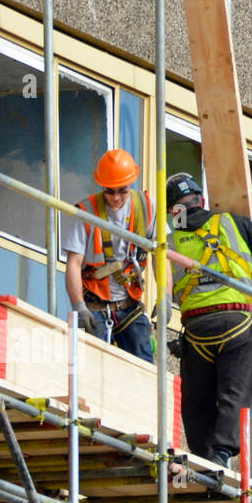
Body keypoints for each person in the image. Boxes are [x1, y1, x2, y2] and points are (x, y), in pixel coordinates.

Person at [166, 172, 252, 467]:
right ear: (201, 201)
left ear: (172, 212)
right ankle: (222, 455)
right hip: (238, 322)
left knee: (197, 401)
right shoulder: (234, 224)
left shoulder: (169, 242)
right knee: (235, 392)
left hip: (197, 328)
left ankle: (202, 460)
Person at [63, 149, 157, 362]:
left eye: (122, 191)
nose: (115, 198)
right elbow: (74, 263)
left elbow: (161, 257)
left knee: (144, 366)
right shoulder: (87, 211)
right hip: (94, 304)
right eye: (109, 191)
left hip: (129, 304)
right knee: (90, 367)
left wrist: (166, 296)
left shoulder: (147, 208)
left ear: (132, 181)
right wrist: (78, 306)